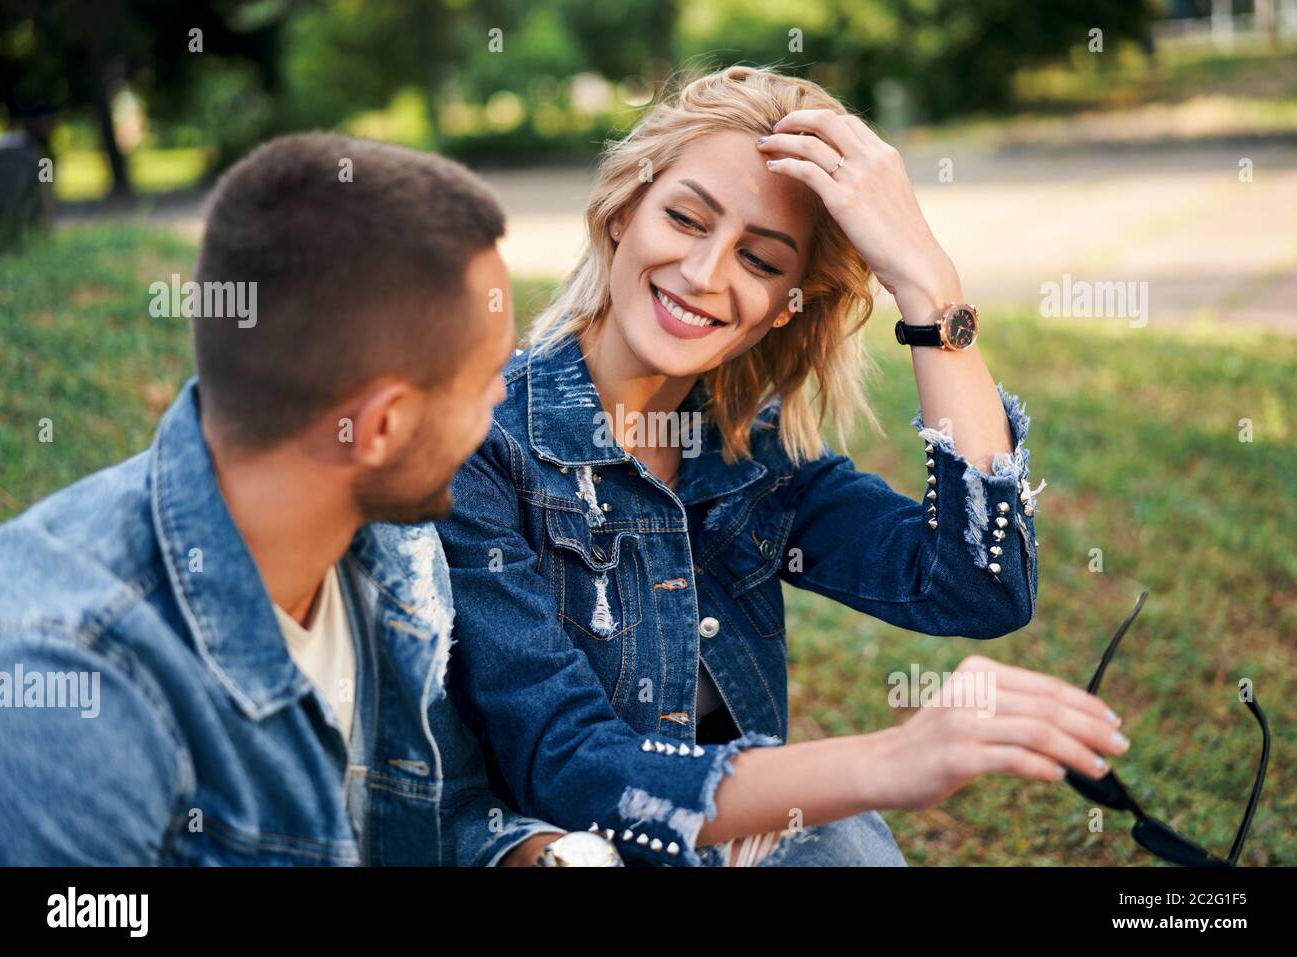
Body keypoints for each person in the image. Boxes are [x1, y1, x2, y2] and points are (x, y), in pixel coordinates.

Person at [436, 66, 1129, 867]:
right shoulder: (485, 447)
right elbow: (567, 768)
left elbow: (980, 581)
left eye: (761, 262)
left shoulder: (753, 457)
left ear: (788, 304)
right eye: (686, 219)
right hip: (567, 849)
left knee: (839, 842)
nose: (705, 273)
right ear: (624, 211)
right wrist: (885, 762)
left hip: (744, 844)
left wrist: (930, 292)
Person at [0, 132, 574, 866]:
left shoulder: (391, 553)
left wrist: (537, 855)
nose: (502, 402)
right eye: (488, 377)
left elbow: (435, 813)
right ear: (381, 426)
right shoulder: (70, 685)